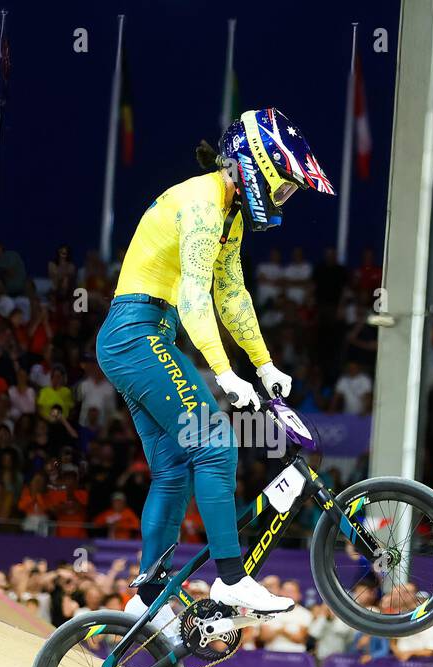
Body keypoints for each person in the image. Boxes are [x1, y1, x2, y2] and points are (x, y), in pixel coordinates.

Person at [96, 107, 333, 620]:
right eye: (285, 185)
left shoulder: (228, 210)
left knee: (175, 467)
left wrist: (264, 364)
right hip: (138, 331)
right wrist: (226, 375)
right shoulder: (203, 204)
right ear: (258, 167)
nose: (285, 197)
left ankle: (145, 598)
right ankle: (230, 579)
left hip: (137, 336)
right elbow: (195, 297)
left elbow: (232, 293)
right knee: (216, 442)